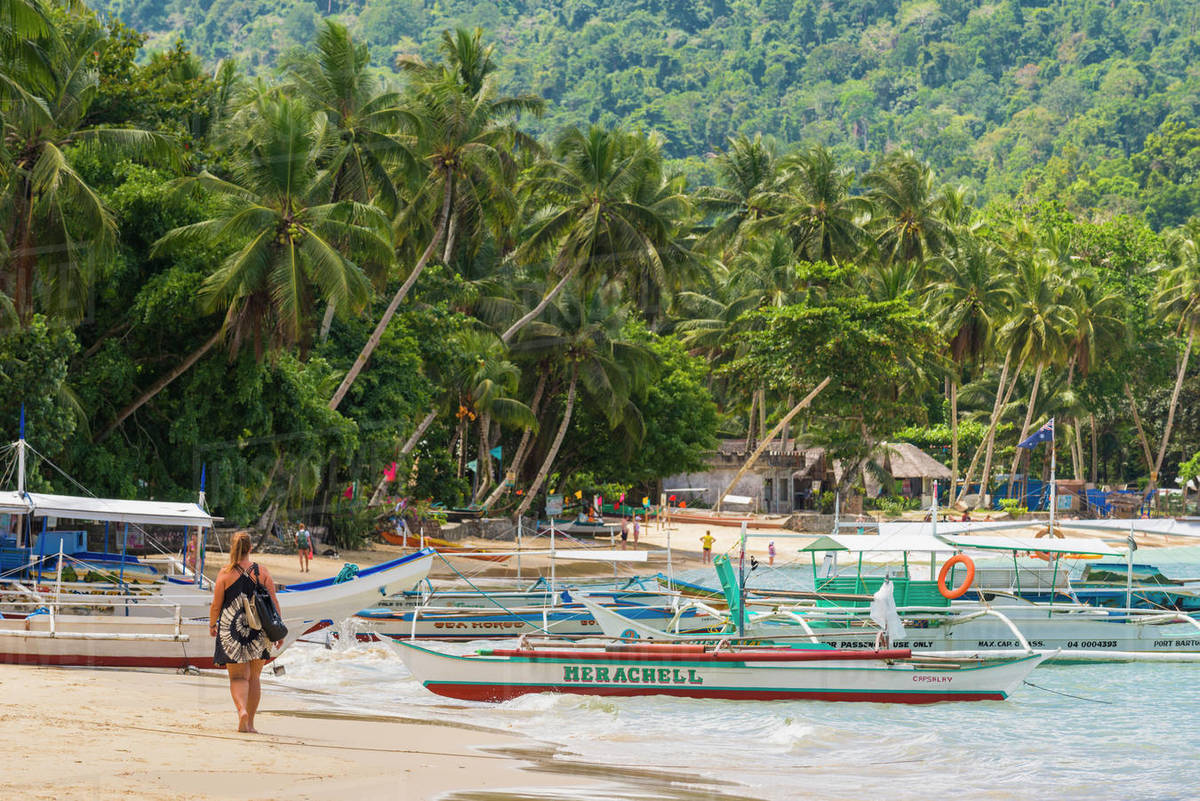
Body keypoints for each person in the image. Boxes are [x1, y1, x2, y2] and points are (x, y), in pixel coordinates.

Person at [208, 531, 282, 733]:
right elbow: (273, 602)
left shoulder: (225, 573)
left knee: (238, 678)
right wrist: (279, 630)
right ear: (250, 548)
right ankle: (250, 725)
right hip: (260, 629)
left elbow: (216, 605)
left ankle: (242, 711)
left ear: (233, 549)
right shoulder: (262, 572)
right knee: (254, 677)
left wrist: (213, 624)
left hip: (232, 630)